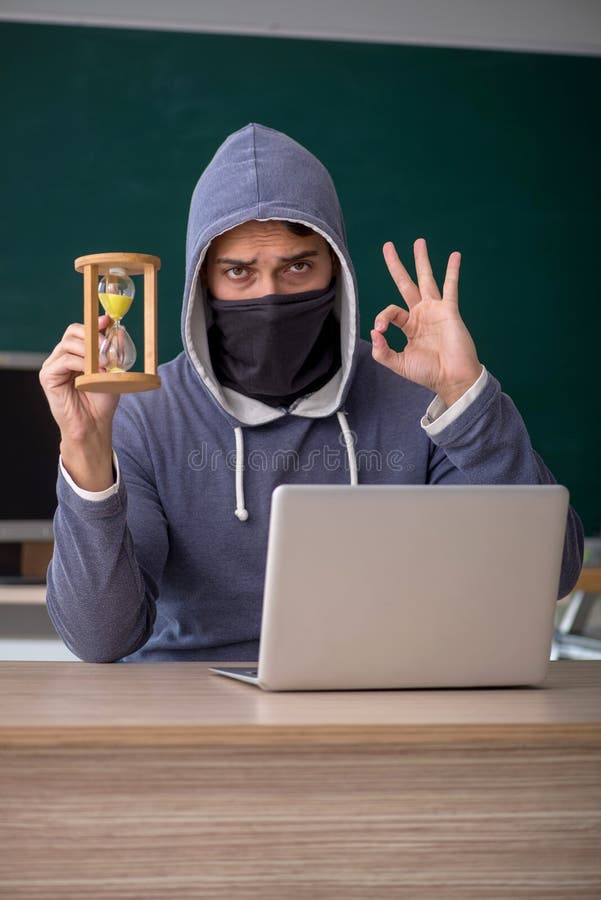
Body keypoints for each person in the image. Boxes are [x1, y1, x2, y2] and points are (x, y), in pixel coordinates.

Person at [40, 122, 583, 663]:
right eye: (239, 272)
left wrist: (468, 399)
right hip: (193, 714)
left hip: (380, 701)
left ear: (337, 271)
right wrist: (86, 450)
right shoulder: (144, 413)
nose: (270, 296)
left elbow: (550, 576)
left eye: (297, 266)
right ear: (203, 283)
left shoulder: (420, 396)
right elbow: (101, 638)